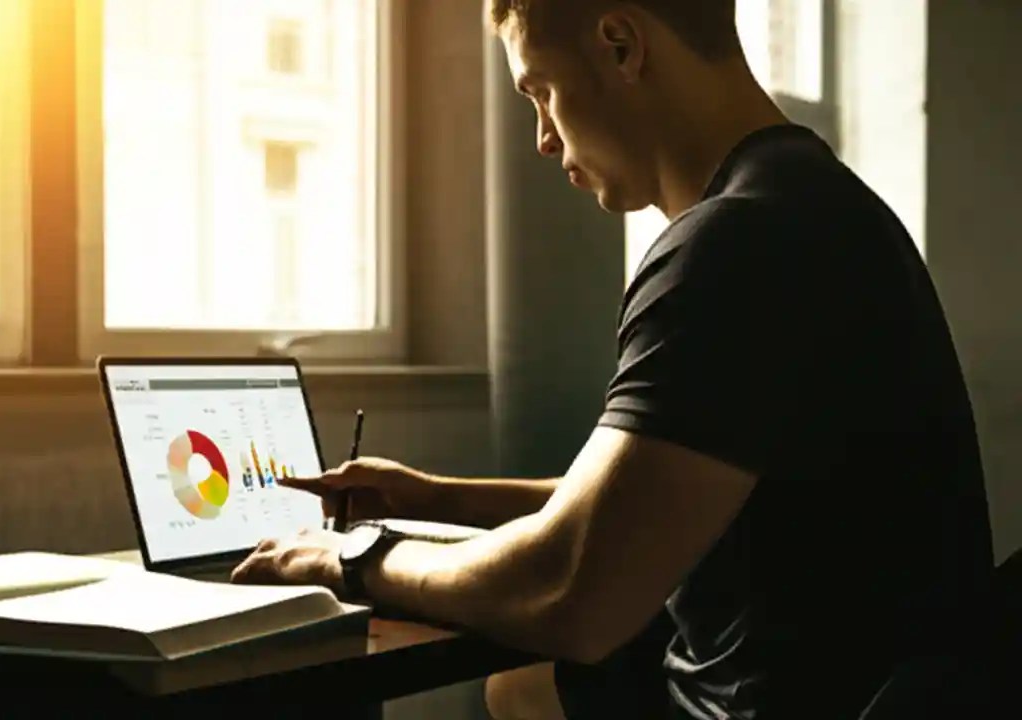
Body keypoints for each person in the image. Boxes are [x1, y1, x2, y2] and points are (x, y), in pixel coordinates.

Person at [230, 1, 997, 718]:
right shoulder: (817, 203)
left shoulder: (730, 246)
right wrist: (433, 497)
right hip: (870, 690)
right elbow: (642, 504)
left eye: (540, 92)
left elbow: (572, 588)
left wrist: (349, 559)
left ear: (621, 45)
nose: (541, 136)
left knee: (528, 671)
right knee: (518, 687)